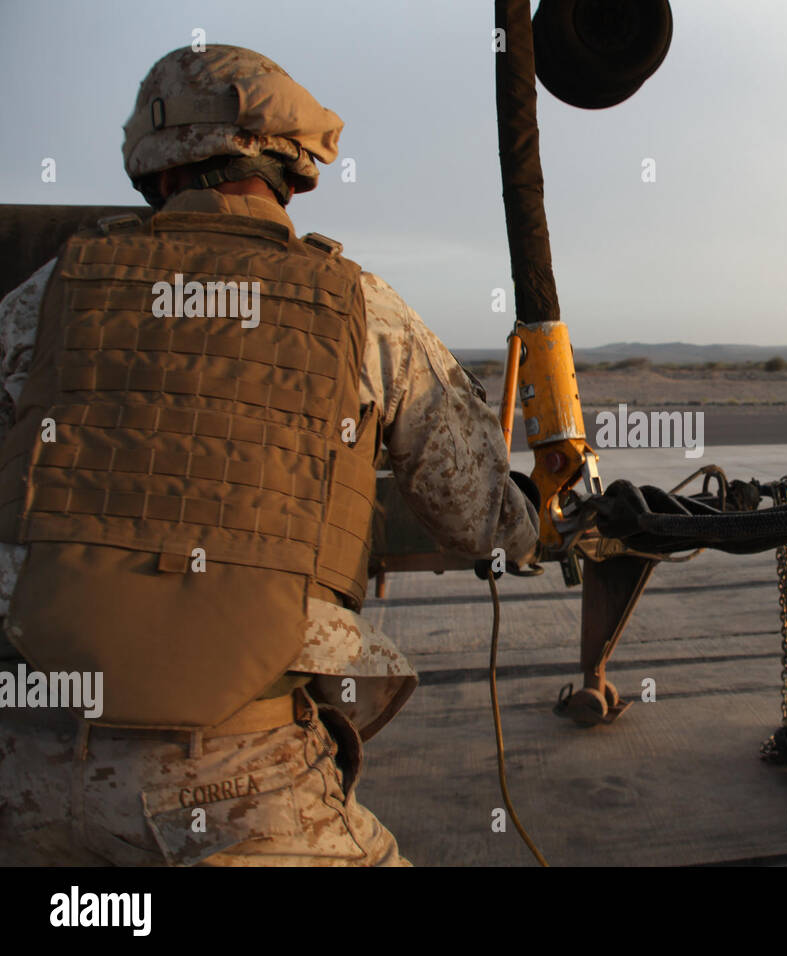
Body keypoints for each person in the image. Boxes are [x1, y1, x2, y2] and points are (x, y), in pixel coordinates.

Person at [0, 45, 538, 866]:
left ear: (154, 171)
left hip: (23, 766)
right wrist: (530, 527)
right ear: (293, 166)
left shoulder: (42, 300)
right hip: (230, 781)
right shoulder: (357, 305)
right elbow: (474, 517)